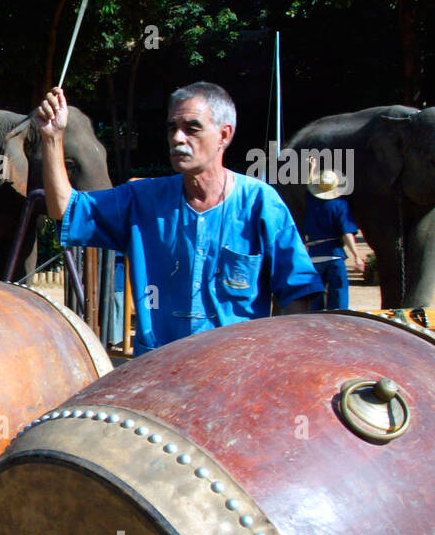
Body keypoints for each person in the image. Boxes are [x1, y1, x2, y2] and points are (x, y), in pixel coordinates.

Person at [37, 82, 321, 355]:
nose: (177, 138)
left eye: (191, 128)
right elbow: (65, 209)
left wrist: (278, 357)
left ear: (224, 135)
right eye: (172, 128)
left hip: (235, 376)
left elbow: (298, 290)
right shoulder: (142, 200)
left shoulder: (259, 203)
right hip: (159, 372)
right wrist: (52, 138)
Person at [302, 169, 361, 310]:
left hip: (314, 256)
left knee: (315, 300)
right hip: (334, 256)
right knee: (339, 298)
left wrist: (311, 169)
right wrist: (357, 256)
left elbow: (308, 187)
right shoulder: (340, 205)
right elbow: (346, 233)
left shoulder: (311, 202)